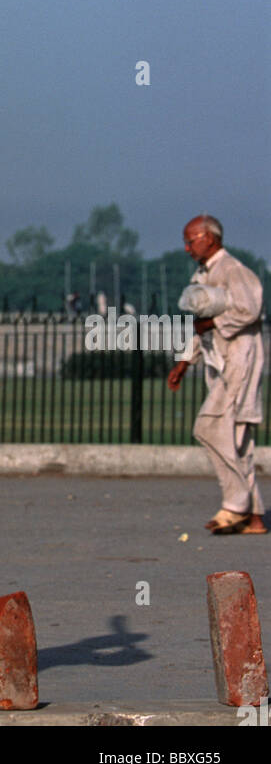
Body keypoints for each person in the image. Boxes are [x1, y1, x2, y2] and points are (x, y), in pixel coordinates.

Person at [168, 214, 266, 534]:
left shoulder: (233, 271)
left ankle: (236, 505)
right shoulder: (203, 274)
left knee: (209, 427)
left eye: (191, 241)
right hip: (221, 363)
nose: (187, 248)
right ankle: (254, 518)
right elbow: (200, 327)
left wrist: (213, 322)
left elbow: (250, 311)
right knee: (237, 442)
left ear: (209, 238)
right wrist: (184, 363)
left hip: (239, 361)